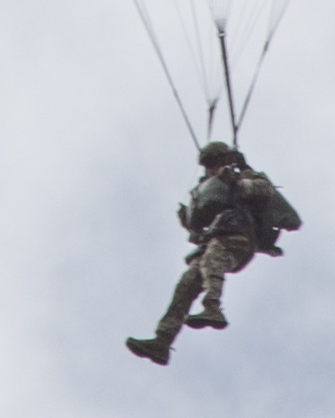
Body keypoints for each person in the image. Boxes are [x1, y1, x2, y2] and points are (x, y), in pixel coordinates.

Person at [126, 141, 300, 364]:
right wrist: (188, 219)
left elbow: (264, 190)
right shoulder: (208, 188)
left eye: (214, 162)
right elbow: (198, 229)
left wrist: (239, 181)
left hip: (240, 238)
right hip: (215, 238)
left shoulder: (243, 177)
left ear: (225, 160)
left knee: (212, 258)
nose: (211, 168)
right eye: (207, 164)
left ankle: (212, 307)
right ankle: (162, 341)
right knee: (187, 283)